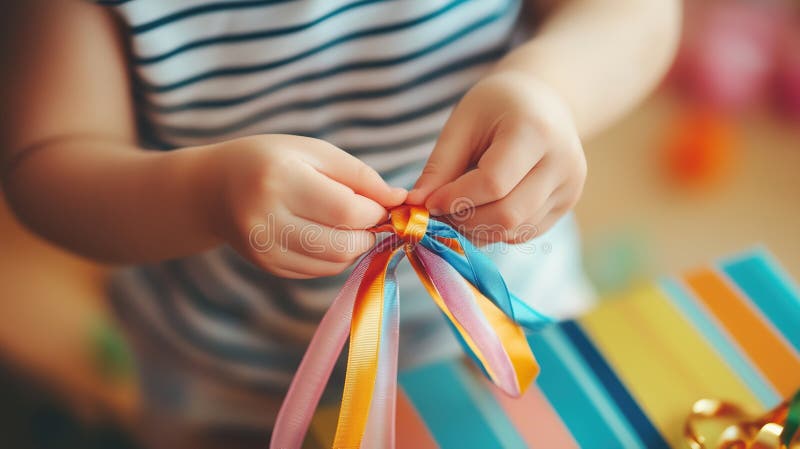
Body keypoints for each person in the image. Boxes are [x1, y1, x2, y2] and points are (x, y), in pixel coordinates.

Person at [0, 1, 680, 447]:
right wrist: (204, 195)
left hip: (496, 322)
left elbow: (635, 15)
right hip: (227, 367)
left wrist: (550, 86)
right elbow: (45, 165)